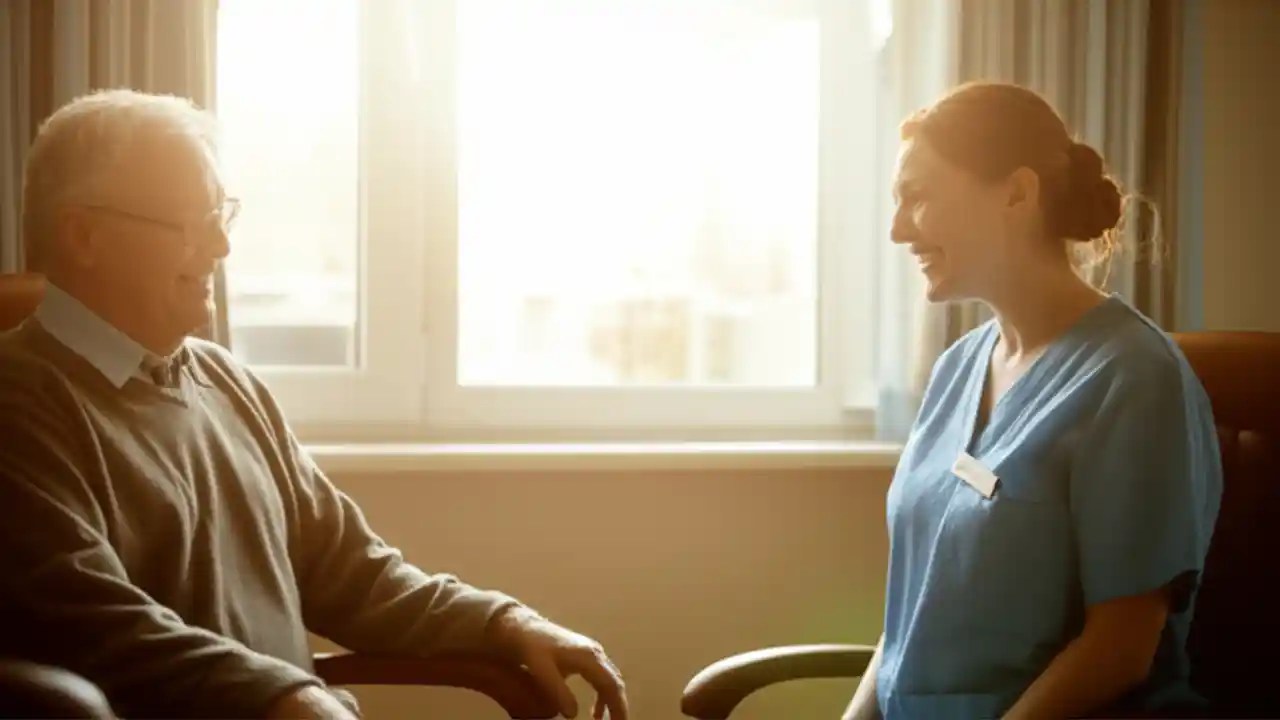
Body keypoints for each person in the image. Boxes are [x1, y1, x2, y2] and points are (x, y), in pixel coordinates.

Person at [0, 89, 628, 720]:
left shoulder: (227, 382)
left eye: (223, 214)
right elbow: (94, 626)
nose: (220, 248)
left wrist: (505, 624)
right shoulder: (18, 399)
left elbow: (354, 575)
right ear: (84, 235)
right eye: (191, 221)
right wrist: (289, 697)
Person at [841, 82, 1222, 720]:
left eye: (919, 197)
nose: (897, 230)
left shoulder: (1133, 378)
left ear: (1016, 193)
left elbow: (1119, 649)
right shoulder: (957, 368)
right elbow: (911, 615)